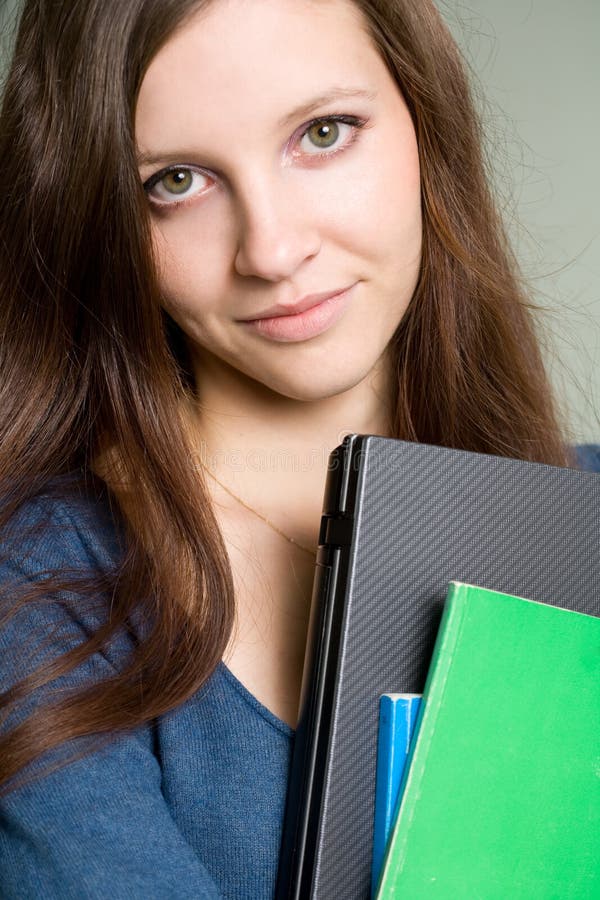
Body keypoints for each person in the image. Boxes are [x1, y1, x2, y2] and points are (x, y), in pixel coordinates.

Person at [0, 0, 597, 897]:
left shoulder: (585, 508)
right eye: (175, 182)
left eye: (324, 132)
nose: (273, 251)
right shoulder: (42, 587)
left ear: (425, 120)